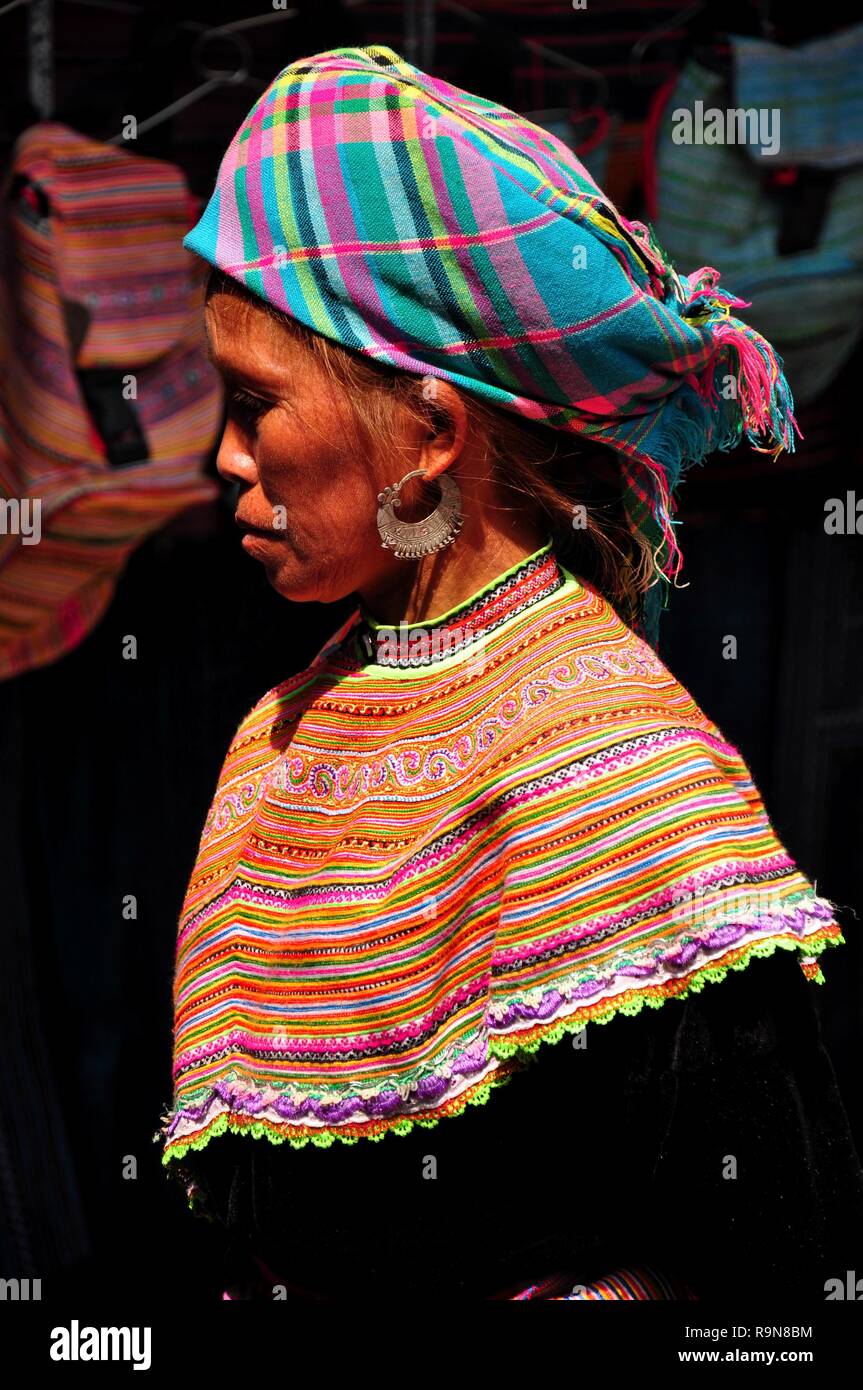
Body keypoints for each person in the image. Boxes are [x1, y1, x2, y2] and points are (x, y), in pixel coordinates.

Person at [157, 44, 863, 1301]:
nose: (222, 458)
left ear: (428, 432)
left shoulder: (629, 778)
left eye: (254, 403)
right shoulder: (283, 731)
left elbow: (769, 1261)